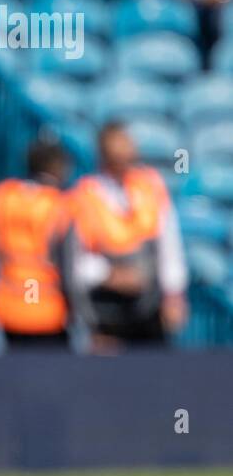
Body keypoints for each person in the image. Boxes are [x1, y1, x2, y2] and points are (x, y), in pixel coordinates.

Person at [66, 123, 188, 350]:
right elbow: (72, 260)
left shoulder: (150, 186)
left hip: (149, 309)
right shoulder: (84, 196)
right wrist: (109, 274)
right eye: (117, 158)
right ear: (105, 158)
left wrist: (174, 294)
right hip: (106, 311)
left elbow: (169, 245)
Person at [0, 140, 72, 348]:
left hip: (6, 307)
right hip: (47, 311)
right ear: (57, 167)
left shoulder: (0, 195)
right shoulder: (60, 205)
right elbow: (68, 265)